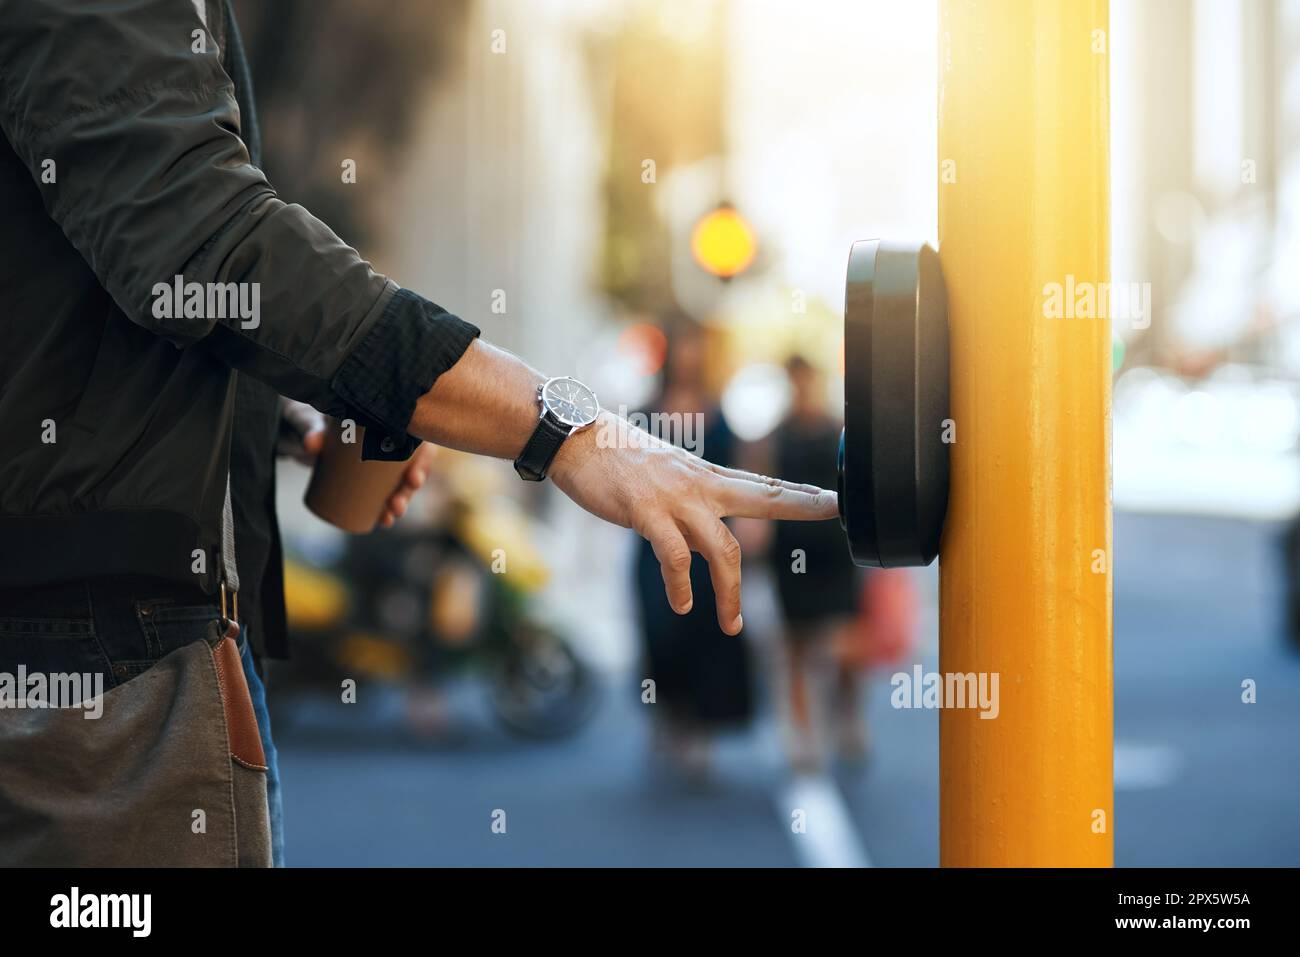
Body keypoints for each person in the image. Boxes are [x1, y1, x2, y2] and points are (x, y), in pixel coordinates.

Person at [0, 0, 837, 866]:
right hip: (93, 655)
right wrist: (566, 430)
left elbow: (87, 295)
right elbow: (203, 242)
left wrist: (278, 421)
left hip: (112, 635)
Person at [633, 316, 753, 781]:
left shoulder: (718, 412)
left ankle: (699, 732)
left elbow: (733, 475)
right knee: (661, 631)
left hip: (705, 546)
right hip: (654, 545)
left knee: (706, 633)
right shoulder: (647, 410)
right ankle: (669, 715)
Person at [766, 356, 864, 772]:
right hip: (791, 551)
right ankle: (804, 735)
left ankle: (846, 716)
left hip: (836, 549)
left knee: (845, 646)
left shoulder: (839, 430)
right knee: (796, 645)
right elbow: (762, 482)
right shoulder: (775, 436)